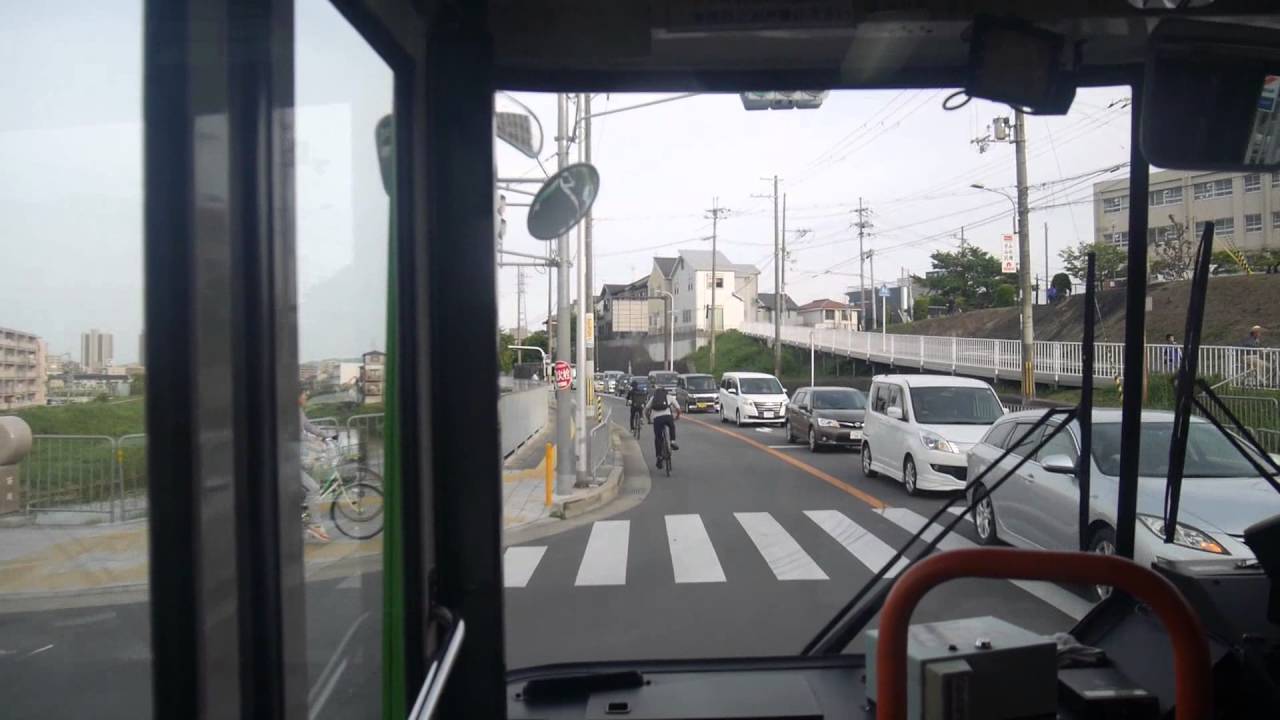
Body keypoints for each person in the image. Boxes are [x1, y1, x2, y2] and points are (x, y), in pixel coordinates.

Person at [299, 391, 333, 542]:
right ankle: (316, 525)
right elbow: (298, 438)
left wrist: (324, 435)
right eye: (304, 394)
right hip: (289, 462)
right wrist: (316, 444)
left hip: (297, 458)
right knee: (313, 488)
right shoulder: (288, 414)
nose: (306, 397)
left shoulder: (297, 411)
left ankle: (304, 512)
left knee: (313, 474)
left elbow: (308, 427)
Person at [644, 385, 681, 469]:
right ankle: (672, 442)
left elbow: (646, 410)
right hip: (667, 417)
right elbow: (678, 409)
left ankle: (659, 456)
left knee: (658, 438)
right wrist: (677, 416)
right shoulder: (670, 397)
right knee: (672, 427)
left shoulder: (653, 398)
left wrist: (649, 419)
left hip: (657, 420)